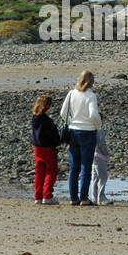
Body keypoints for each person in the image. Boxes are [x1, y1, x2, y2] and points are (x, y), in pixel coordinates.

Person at [59, 70, 101, 205]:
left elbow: (62, 112)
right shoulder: (91, 95)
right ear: (91, 82)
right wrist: (98, 125)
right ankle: (84, 197)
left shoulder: (71, 93)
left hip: (73, 132)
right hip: (87, 132)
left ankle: (73, 197)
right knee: (86, 167)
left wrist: (73, 120)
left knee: (73, 167)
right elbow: (94, 114)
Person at [31, 95, 60, 204]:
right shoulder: (47, 121)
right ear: (47, 106)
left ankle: (38, 197)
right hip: (48, 148)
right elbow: (53, 136)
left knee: (40, 172)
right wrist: (58, 141)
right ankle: (47, 195)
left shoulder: (35, 119)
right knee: (51, 171)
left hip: (37, 148)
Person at [91, 110, 112, 205]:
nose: (104, 121)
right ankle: (101, 197)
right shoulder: (100, 130)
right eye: (103, 119)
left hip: (92, 156)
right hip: (100, 156)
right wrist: (107, 154)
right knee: (103, 177)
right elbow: (102, 144)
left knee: (95, 178)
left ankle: (94, 197)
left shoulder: (91, 130)